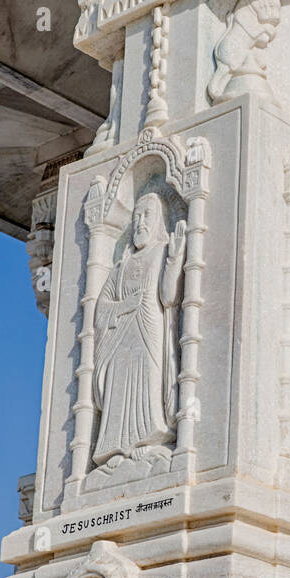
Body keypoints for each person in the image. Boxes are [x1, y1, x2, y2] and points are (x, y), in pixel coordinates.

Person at [92, 191, 185, 471]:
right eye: (136, 217)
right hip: (121, 340)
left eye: (147, 216)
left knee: (148, 384)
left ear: (157, 222)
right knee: (119, 392)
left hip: (148, 331)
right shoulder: (121, 266)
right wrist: (123, 307)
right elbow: (101, 307)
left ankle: (148, 441)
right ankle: (115, 450)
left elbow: (169, 297)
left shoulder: (159, 253)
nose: (140, 223)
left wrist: (175, 258)